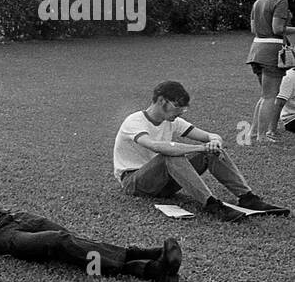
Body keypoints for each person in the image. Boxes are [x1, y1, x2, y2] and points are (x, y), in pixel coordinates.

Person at [0, 145, 182, 282]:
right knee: (58, 241)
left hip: (13, 217)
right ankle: (150, 267)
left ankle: (145, 261)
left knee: (69, 241)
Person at [114, 80, 287, 220]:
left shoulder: (173, 121)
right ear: (161, 101)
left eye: (183, 109)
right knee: (170, 154)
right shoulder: (134, 121)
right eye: (177, 107)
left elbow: (211, 135)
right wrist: (200, 147)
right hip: (134, 181)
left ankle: (248, 198)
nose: (180, 112)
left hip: (163, 183)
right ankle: (211, 204)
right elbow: (156, 147)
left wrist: (214, 143)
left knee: (210, 152)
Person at [246, 0, 295, 143]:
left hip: (256, 50)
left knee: (265, 96)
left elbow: (253, 28)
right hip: (271, 52)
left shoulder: (260, 0)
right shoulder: (280, 1)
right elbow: (277, 28)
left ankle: (253, 134)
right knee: (270, 96)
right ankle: (261, 136)